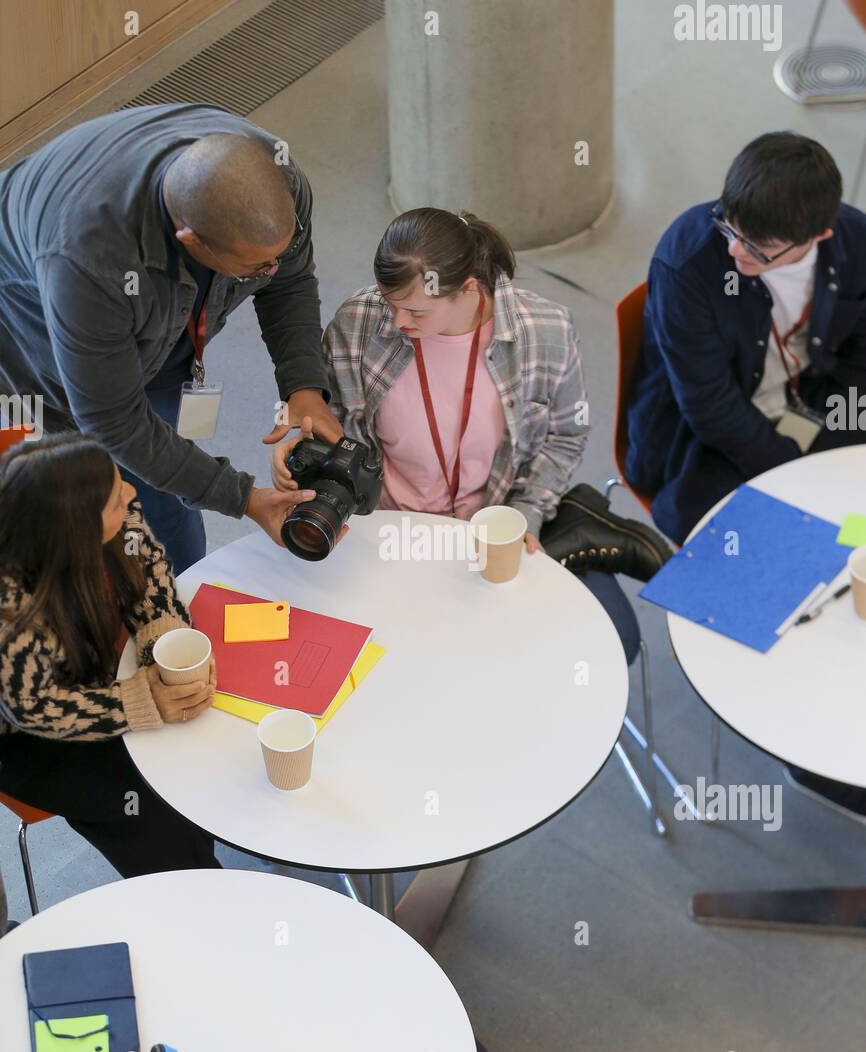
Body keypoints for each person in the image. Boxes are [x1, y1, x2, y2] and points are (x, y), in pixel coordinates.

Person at [291, 206, 661, 658]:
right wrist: (297, 443)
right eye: (390, 304)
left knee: (606, 643)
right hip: (385, 530)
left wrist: (527, 511)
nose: (397, 323)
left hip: (492, 530)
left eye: (415, 311)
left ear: (468, 290)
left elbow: (566, 435)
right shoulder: (358, 324)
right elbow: (321, 417)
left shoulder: (546, 333)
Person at [0, 102, 341, 574]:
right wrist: (244, 498)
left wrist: (303, 387)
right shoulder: (87, 260)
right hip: (35, 326)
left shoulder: (276, 182)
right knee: (87, 506)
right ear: (191, 241)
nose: (271, 270)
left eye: (276, 254)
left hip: (151, 307)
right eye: (255, 267)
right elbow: (114, 422)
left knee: (168, 497)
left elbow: (289, 278)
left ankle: (182, 600)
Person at [626, 131, 866, 547]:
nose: (737, 251)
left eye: (761, 248)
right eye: (730, 228)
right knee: (744, 543)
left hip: (815, 398)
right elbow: (708, 403)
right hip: (716, 434)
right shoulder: (689, 262)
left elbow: (859, 358)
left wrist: (832, 428)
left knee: (848, 524)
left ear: (819, 237)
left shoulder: (856, 242)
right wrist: (793, 471)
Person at [0, 433, 222, 878]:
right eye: (116, 499)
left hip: (98, 673)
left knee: (189, 763)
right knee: (147, 814)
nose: (132, 494)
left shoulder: (112, 511)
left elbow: (150, 570)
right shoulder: (11, 611)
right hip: (34, 741)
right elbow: (34, 708)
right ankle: (192, 891)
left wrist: (163, 636)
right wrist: (140, 702)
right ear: (75, 528)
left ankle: (201, 856)